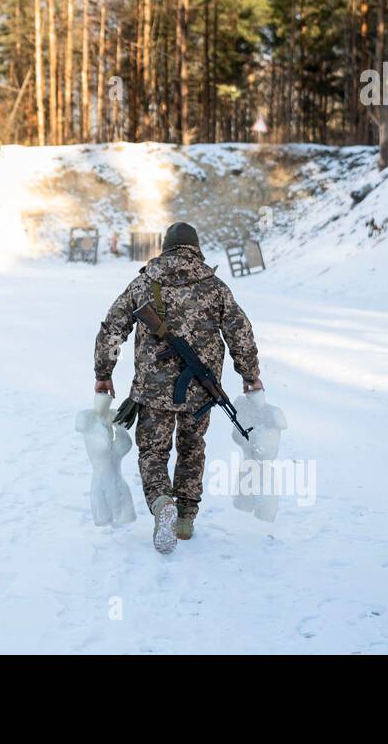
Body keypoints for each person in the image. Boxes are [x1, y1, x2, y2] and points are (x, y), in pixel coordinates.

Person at [93, 221, 261, 553]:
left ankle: (160, 503)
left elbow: (113, 328)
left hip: (152, 391)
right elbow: (241, 334)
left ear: (166, 247)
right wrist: (250, 374)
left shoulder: (144, 283)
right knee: (191, 448)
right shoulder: (215, 287)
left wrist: (103, 371)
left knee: (153, 452)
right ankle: (184, 518)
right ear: (195, 248)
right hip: (201, 390)